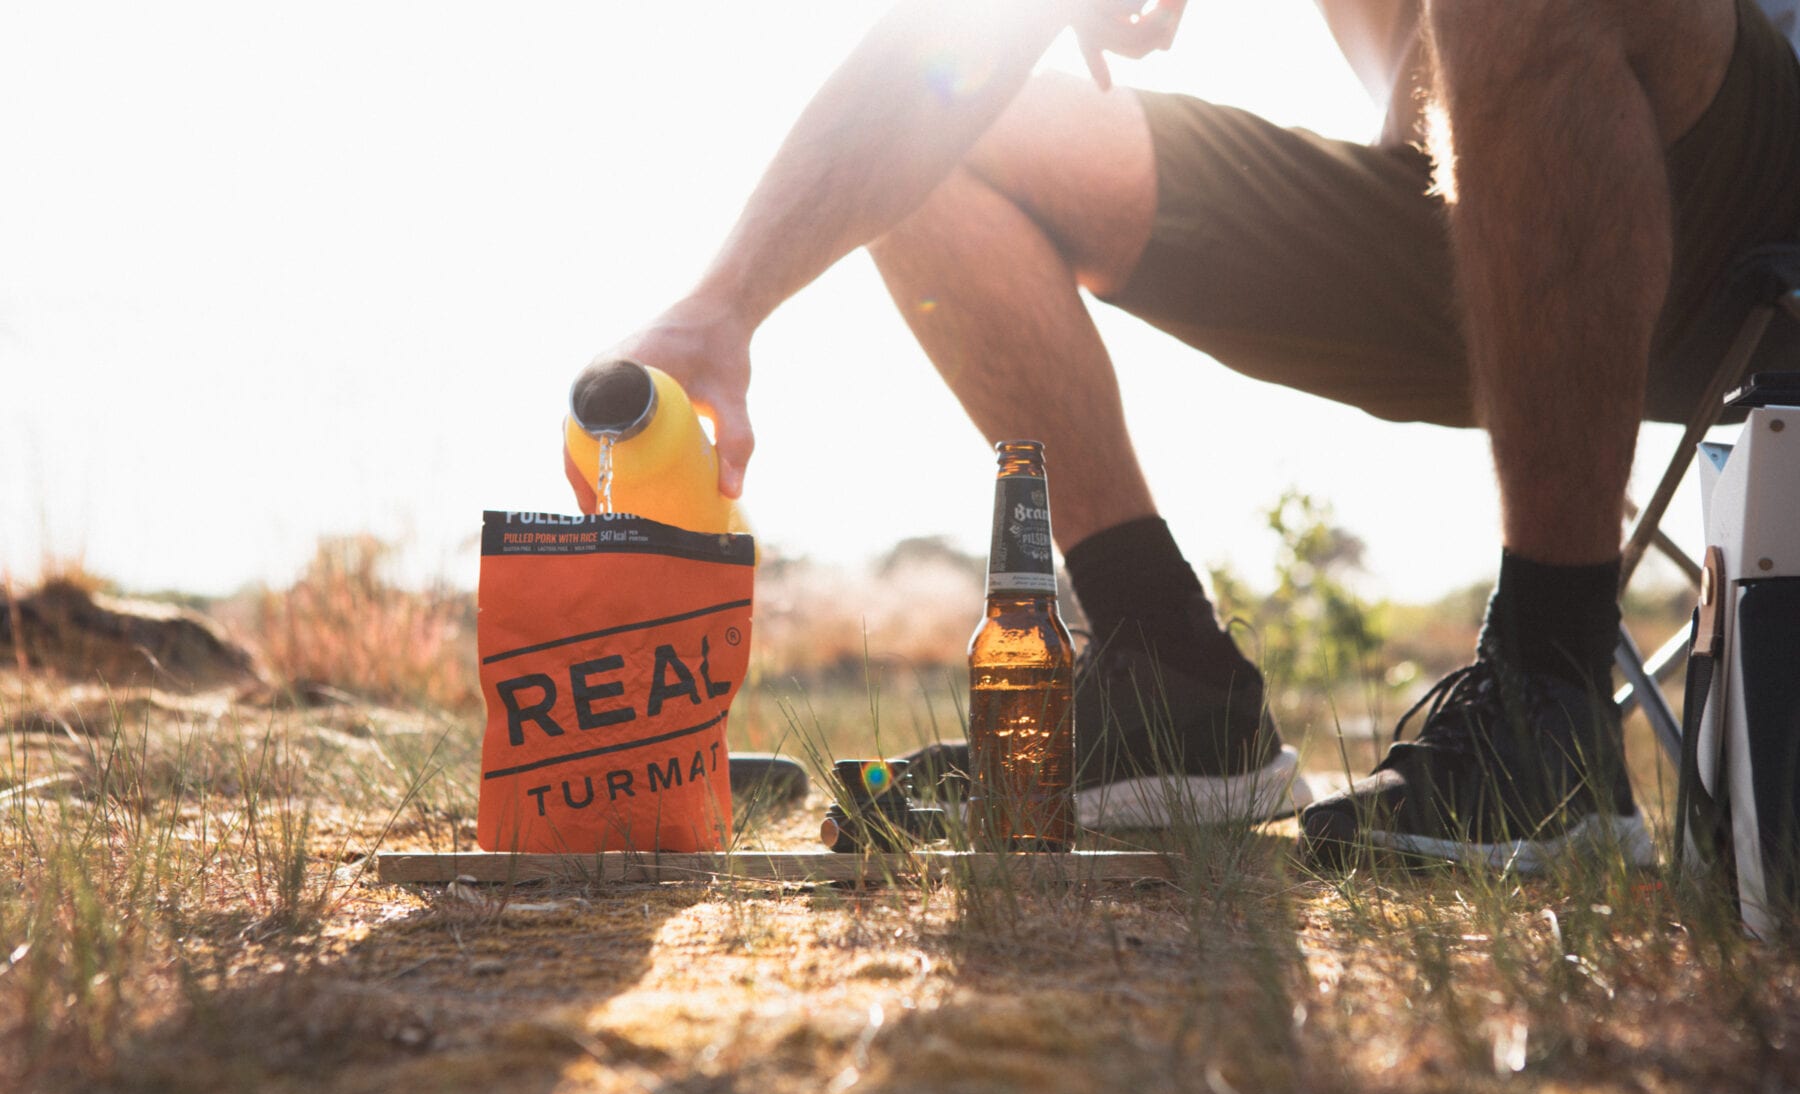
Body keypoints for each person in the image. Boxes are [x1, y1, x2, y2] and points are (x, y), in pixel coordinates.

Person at [590, 0, 1800, 869]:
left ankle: (1551, 699)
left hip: (1746, 166)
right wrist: (725, 301)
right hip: (1467, 198)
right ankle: (1170, 675)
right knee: (954, 139)